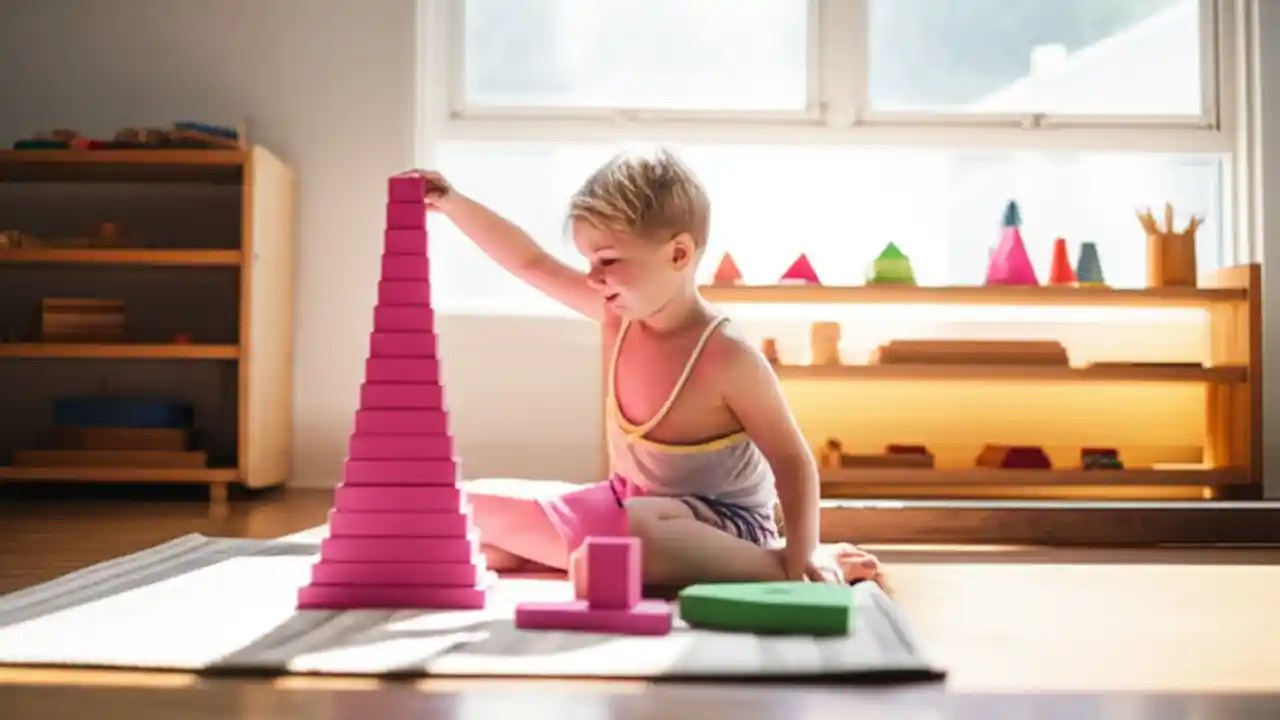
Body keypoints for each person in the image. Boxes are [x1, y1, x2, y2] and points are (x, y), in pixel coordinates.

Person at [407, 149, 882, 588]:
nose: (593, 277)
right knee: (459, 504)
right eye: (590, 260)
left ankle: (777, 567)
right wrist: (452, 202)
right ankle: (581, 556)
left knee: (637, 531)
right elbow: (530, 262)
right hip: (622, 506)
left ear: (677, 255)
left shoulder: (726, 355)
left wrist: (805, 554)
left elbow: (792, 461)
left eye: (608, 260)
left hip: (716, 531)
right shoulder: (619, 318)